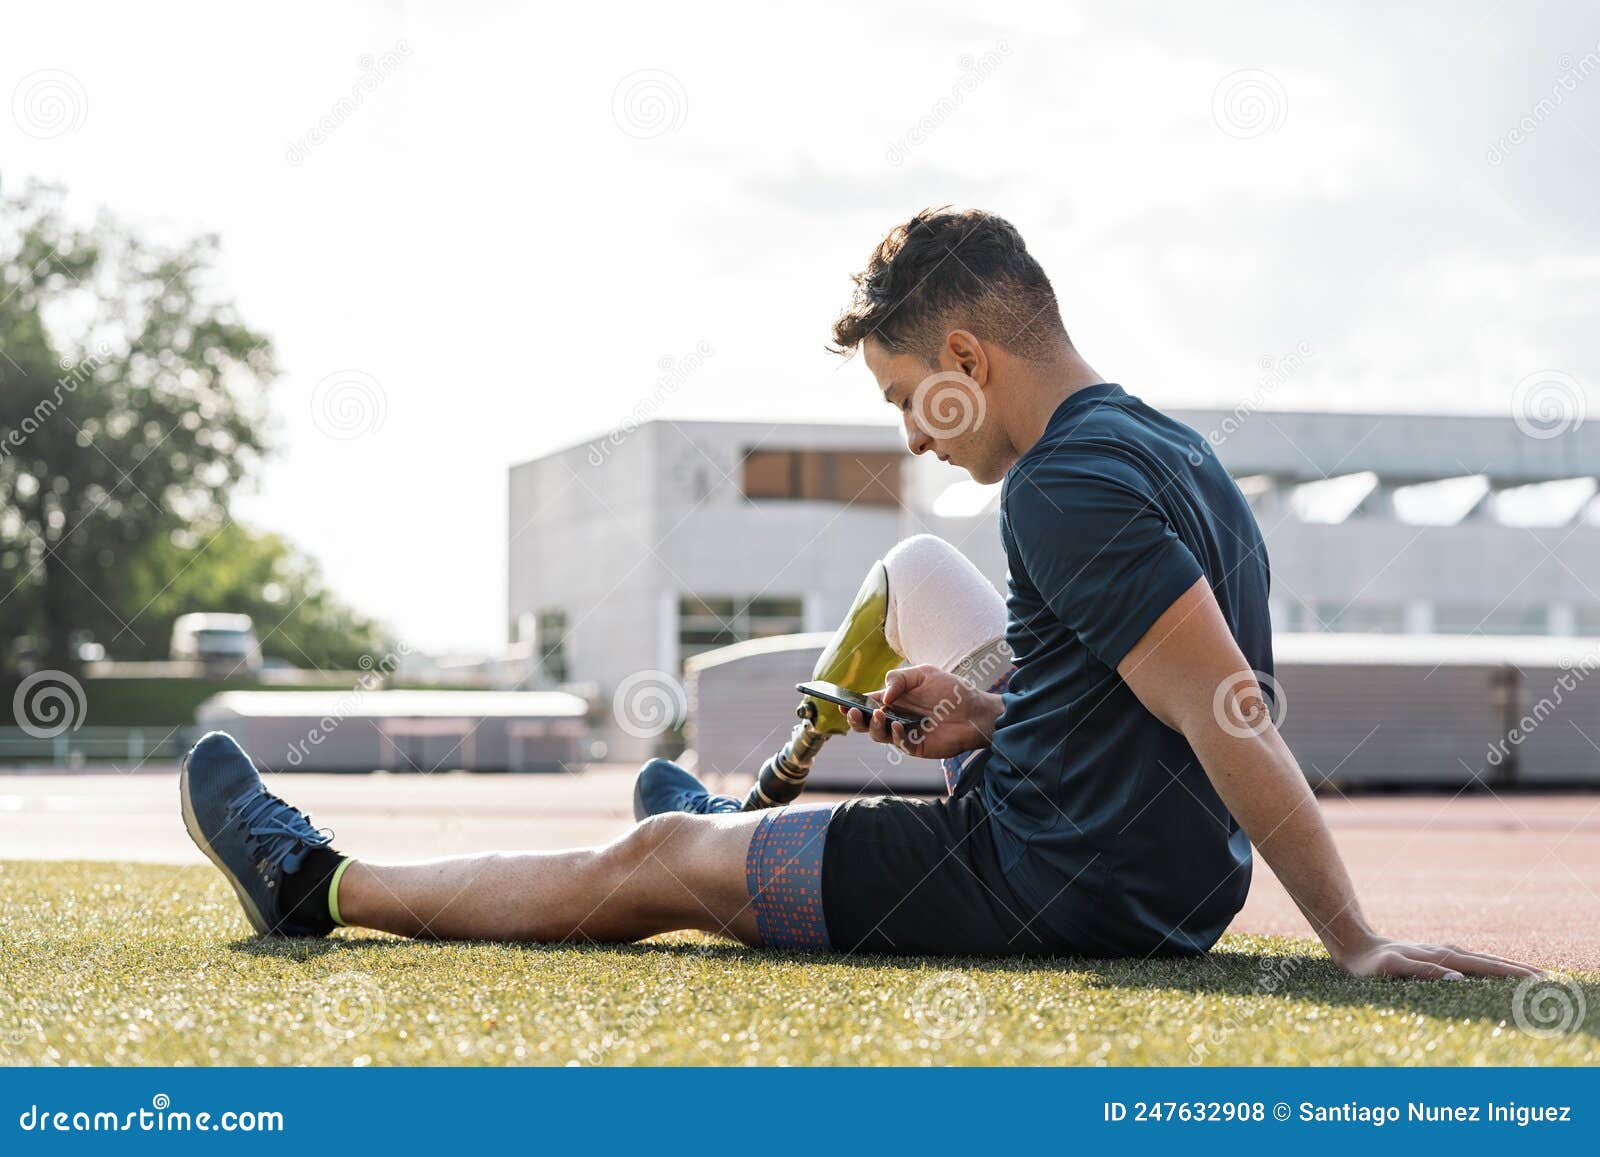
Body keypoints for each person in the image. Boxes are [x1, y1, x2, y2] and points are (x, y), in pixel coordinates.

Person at [180, 207, 1539, 980]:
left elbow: (1229, 711)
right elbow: (1149, 696)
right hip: (1155, 878)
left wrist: (1353, 937)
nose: (910, 437)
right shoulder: (1164, 447)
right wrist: (990, 715)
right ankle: (736, 821)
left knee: (657, 868)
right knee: (921, 587)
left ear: (963, 353)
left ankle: (317, 881)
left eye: (907, 399)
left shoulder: (1059, 487)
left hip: (1046, 886)